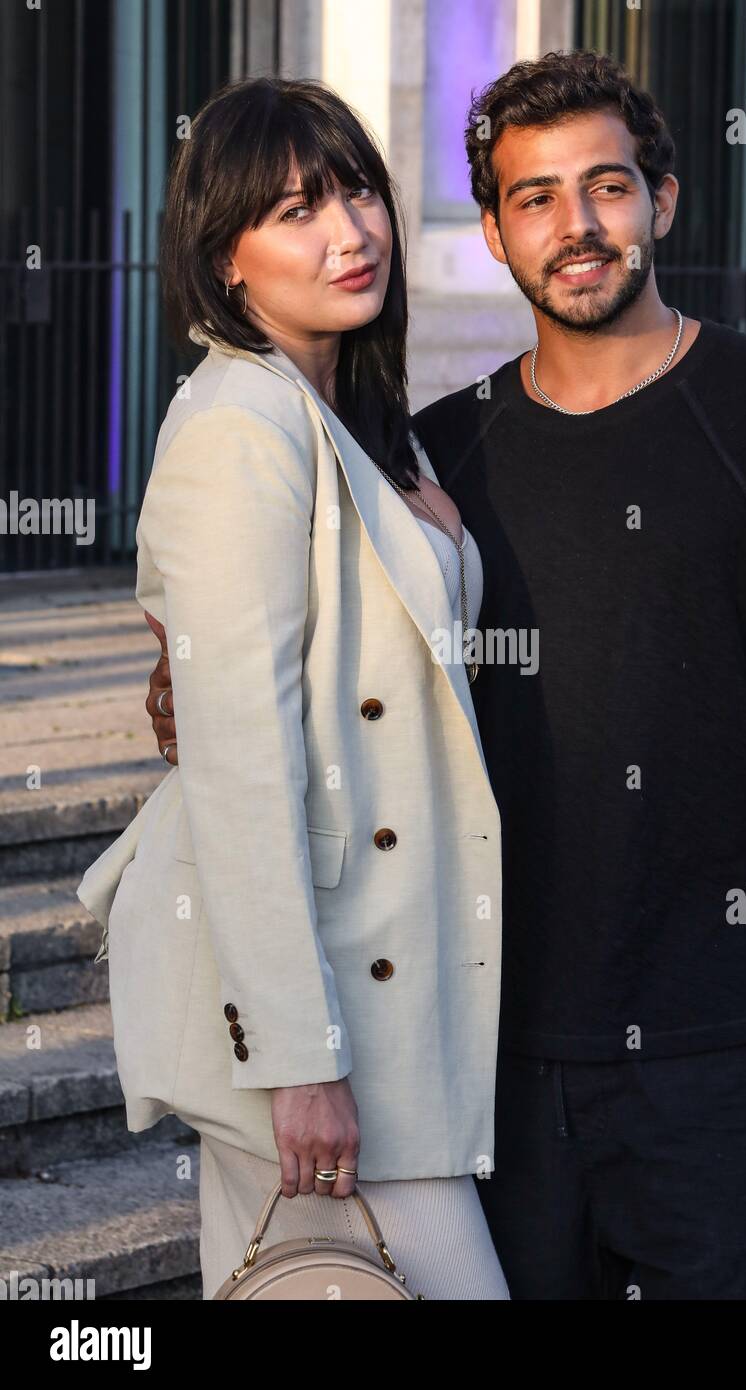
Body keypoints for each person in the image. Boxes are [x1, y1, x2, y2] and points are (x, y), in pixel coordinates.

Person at [145, 51, 746, 1301]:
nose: (577, 228)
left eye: (607, 188)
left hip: (724, 1049)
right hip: (487, 1055)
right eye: (533, 199)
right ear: (498, 237)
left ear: (663, 202)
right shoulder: (440, 453)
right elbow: (279, 697)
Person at [76, 75, 509, 1301]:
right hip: (310, 1001)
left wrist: (452, 547)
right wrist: (297, 1058)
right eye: (296, 210)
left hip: (373, 967)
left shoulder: (353, 417)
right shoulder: (238, 424)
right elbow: (243, 757)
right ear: (228, 263)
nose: (350, 231)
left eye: (358, 190)